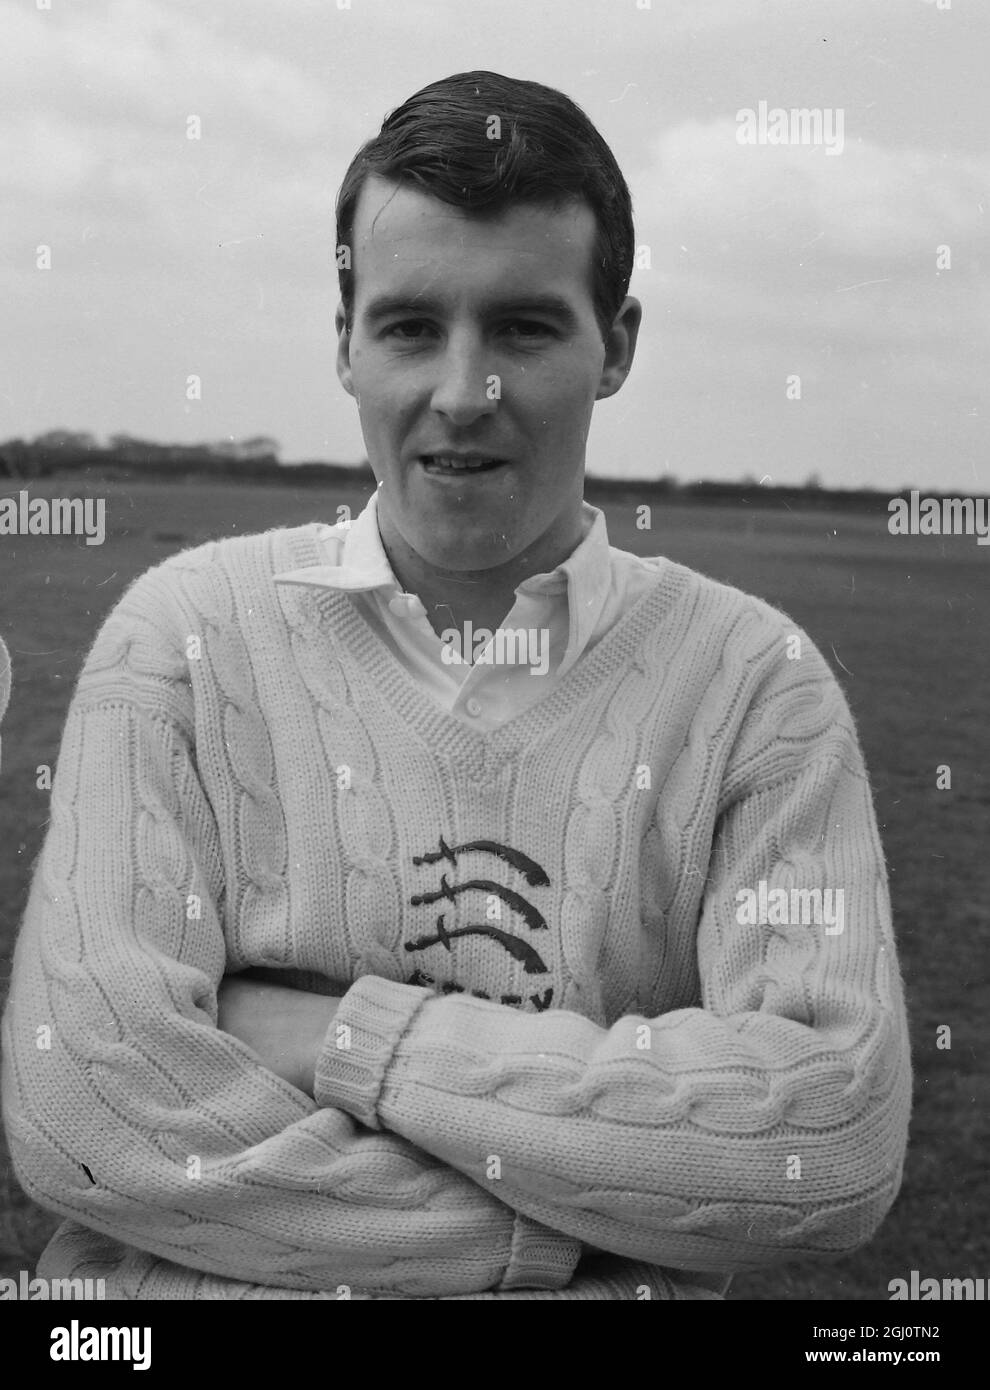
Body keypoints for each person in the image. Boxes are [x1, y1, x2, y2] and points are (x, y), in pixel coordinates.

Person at [1, 70, 911, 1300]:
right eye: (411, 326)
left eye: (525, 328)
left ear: (617, 347)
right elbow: (93, 1120)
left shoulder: (757, 691)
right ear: (344, 342)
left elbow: (824, 1143)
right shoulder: (184, 640)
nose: (463, 392)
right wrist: (574, 1235)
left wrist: (341, 1037)